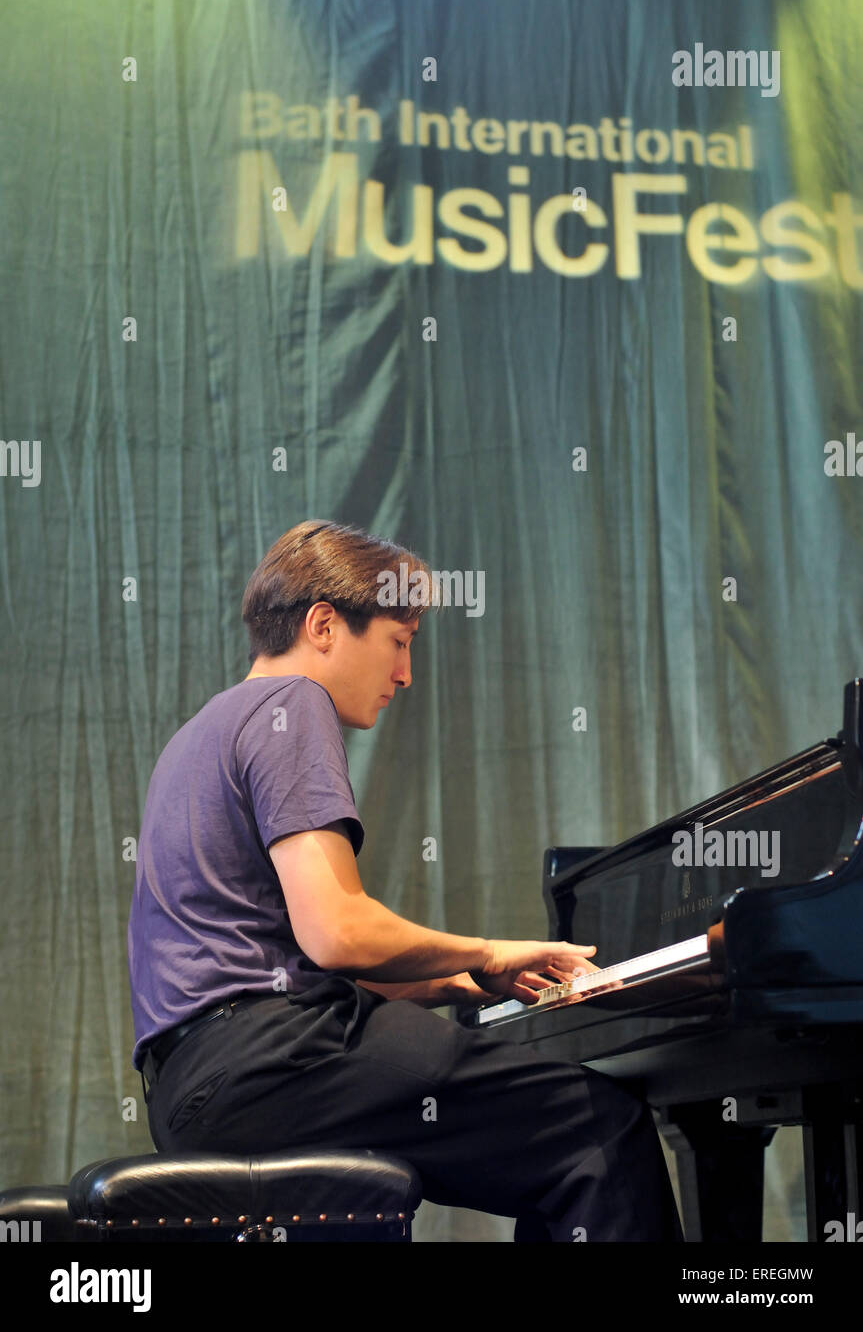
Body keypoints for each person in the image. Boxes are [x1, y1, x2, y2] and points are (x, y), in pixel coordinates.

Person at [127, 518, 682, 1241]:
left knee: (551, 1145)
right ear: (323, 624)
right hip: (276, 1061)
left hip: (196, 1086)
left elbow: (275, 954)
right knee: (598, 1131)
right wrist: (486, 952)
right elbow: (336, 934)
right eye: (399, 642)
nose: (404, 674)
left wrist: (462, 985)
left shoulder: (201, 730)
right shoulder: (291, 707)